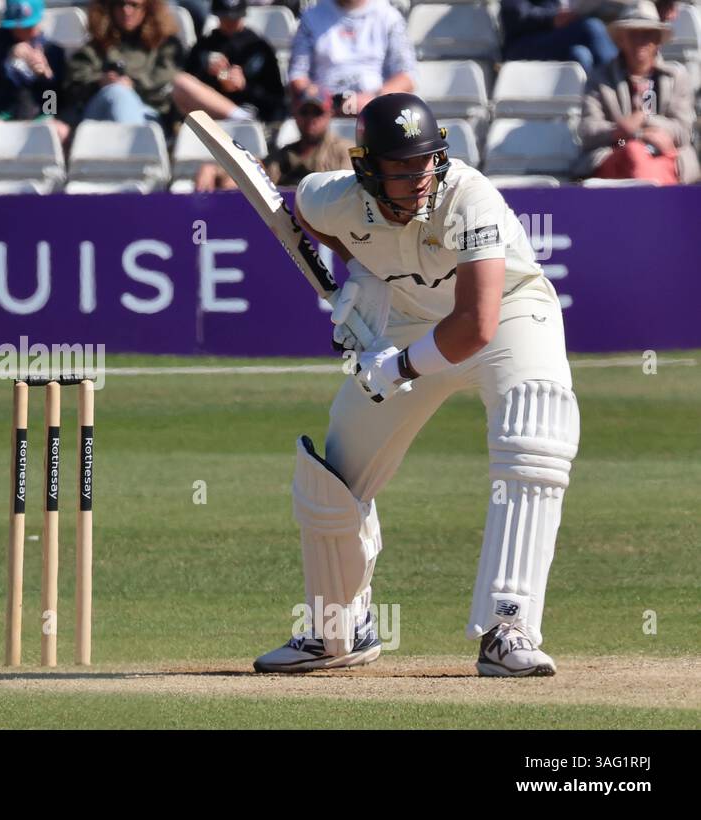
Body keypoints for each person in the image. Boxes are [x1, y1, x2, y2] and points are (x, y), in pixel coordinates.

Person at [253, 93, 579, 677]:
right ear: (368, 168)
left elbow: (475, 325)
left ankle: (509, 629)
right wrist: (367, 278)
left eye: (425, 161)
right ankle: (337, 629)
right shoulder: (333, 197)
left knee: (535, 436)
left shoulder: (468, 196)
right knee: (338, 471)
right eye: (400, 167)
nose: (417, 176)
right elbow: (304, 214)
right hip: (406, 319)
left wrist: (398, 366)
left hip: (508, 317)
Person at [576, 1, 699, 184]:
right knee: (633, 153)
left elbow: (684, 130)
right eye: (633, 34)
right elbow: (587, 130)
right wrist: (620, 132)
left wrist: (644, 119)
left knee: (649, 164)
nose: (640, 42)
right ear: (621, 40)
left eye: (647, 34)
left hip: (664, 155)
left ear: (657, 40)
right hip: (616, 153)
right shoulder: (600, 78)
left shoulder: (676, 77)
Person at [194, 85, 351, 191]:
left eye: (317, 113)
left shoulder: (343, 151)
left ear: (330, 115)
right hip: (286, 223)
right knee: (230, 183)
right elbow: (254, 167)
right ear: (295, 115)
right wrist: (215, 170)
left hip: (324, 224)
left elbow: (349, 192)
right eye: (304, 113)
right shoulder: (285, 153)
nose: (311, 119)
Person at [0, 0, 70, 142]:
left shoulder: (52, 51)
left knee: (59, 131)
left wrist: (46, 77)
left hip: (38, 114)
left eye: (28, 26)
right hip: (4, 114)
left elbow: (54, 105)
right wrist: (7, 52)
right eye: (17, 26)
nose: (22, 30)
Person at [287, 0, 416, 117]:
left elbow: (406, 77)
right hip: (325, 114)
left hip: (376, 114)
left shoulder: (389, 17)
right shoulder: (311, 17)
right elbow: (297, 75)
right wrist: (318, 98)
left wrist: (372, 100)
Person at [66, 0, 185, 126]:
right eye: (120, 4)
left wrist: (132, 84)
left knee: (121, 93)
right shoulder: (96, 46)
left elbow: (165, 80)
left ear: (149, 7)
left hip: (149, 114)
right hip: (100, 113)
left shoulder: (166, 45)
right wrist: (100, 82)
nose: (126, 11)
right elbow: (74, 81)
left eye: (134, 5)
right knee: (117, 92)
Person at [174, 0, 285, 125]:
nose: (230, 22)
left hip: (251, 116)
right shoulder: (204, 46)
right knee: (180, 81)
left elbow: (276, 100)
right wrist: (209, 74)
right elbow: (187, 90)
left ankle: (242, 118)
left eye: (235, 18)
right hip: (208, 118)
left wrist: (244, 86)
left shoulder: (258, 47)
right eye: (225, 17)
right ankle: (238, 116)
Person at [500, 0, 619, 76]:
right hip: (526, 43)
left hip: (563, 41)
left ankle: (597, 106)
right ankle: (621, 81)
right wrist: (551, 18)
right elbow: (513, 13)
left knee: (580, 55)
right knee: (592, 27)